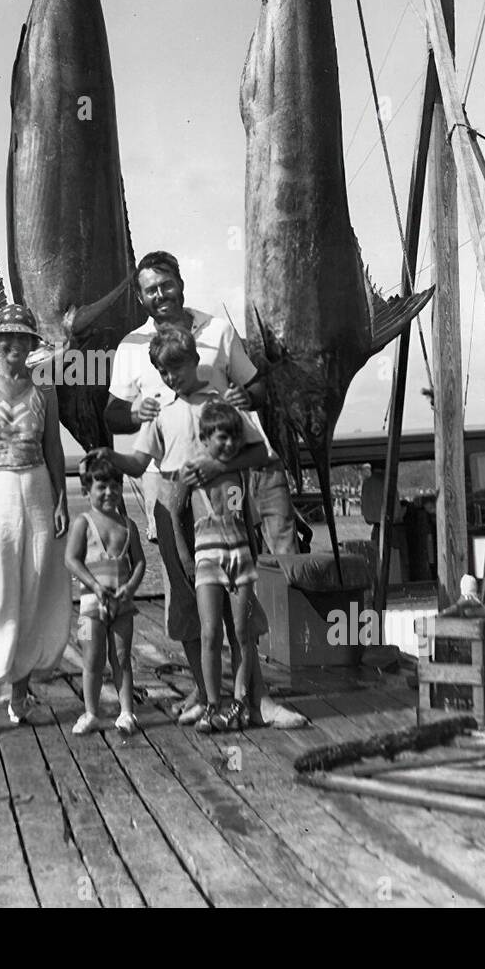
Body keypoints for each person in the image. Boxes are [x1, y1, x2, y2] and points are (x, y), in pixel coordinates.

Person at [102, 327, 271, 725]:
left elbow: (259, 451)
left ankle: (245, 700)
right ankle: (208, 696)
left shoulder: (222, 405)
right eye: (163, 372)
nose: (172, 377)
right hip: (177, 510)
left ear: (196, 362)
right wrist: (108, 454)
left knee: (242, 620)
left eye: (178, 368)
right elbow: (140, 463)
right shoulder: (161, 413)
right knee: (192, 606)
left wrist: (219, 465)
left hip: (224, 516)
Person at [104, 250, 298, 558]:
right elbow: (112, 416)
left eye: (166, 285)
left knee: (239, 553)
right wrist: (134, 413)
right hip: (167, 475)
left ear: (181, 285)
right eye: (150, 290)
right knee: (180, 573)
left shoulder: (218, 329)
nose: (160, 294)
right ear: (139, 298)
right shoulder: (131, 346)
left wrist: (246, 397)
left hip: (227, 467)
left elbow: (256, 387)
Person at [0, 304, 71, 740]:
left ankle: (19, 694)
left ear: (32, 344)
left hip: (37, 489)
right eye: (7, 338)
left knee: (33, 588)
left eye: (23, 338)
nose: (14, 346)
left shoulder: (45, 388)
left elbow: (54, 447)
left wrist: (61, 499)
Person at [170, 402, 262, 733]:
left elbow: (247, 517)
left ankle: (239, 704)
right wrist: (185, 557)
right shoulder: (190, 473)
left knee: (242, 632)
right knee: (210, 632)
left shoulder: (240, 470)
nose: (230, 444)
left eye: (235, 437)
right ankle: (212, 703)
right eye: (222, 437)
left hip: (240, 556)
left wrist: (255, 551)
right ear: (205, 436)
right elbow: (175, 513)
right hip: (207, 558)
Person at [63, 453, 146, 737]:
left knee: (121, 657)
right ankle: (91, 712)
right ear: (87, 491)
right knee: (92, 659)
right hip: (90, 607)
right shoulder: (83, 523)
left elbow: (140, 563)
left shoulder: (128, 525)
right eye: (101, 487)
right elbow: (71, 560)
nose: (109, 492)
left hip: (123, 606)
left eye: (115, 486)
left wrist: (131, 588)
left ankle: (126, 712)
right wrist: (95, 585)